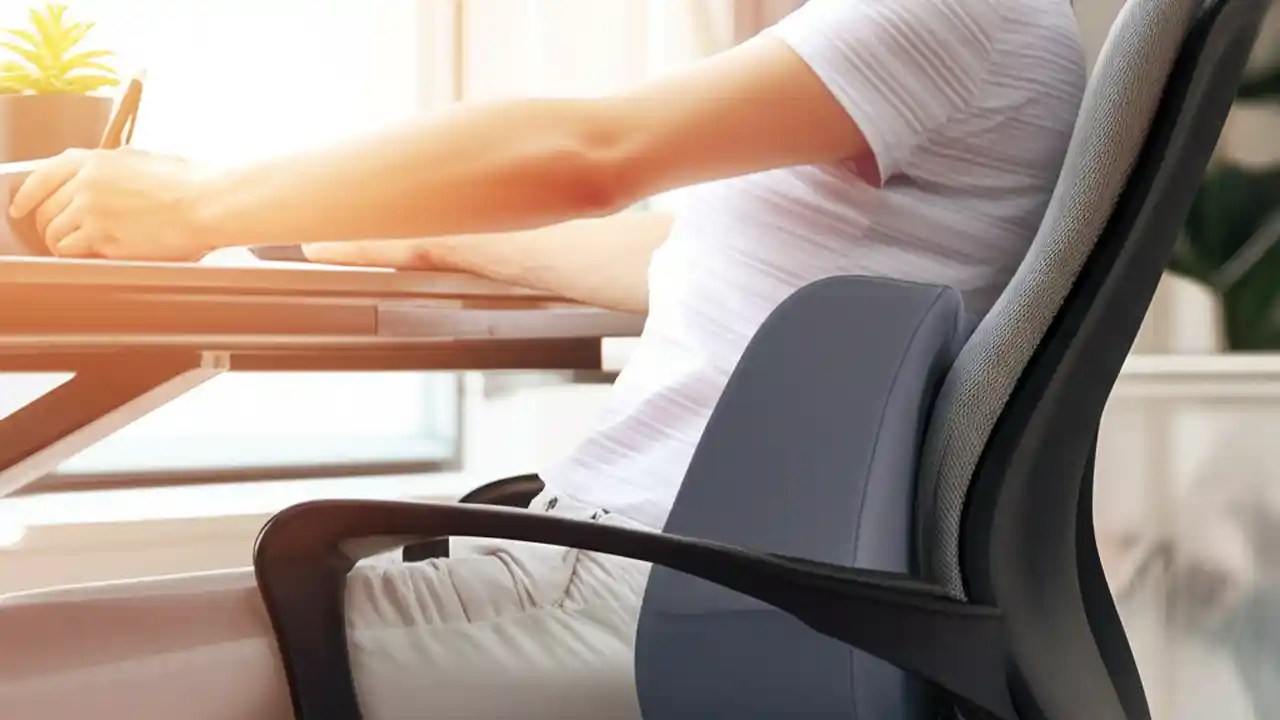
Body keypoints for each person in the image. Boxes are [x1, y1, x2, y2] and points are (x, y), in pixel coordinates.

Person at [0, 0, 1086, 717]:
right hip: (701, 579)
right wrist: (435, 237)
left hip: (643, 590)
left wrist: (197, 202)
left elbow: (590, 155)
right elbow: (699, 259)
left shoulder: (943, 13)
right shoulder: (991, 32)